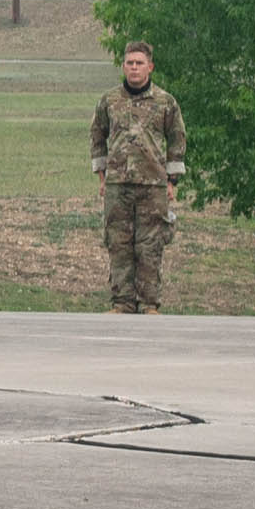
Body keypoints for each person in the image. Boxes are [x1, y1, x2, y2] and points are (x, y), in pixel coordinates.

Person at [90, 41, 185, 314]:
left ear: (150, 67)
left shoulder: (166, 102)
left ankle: (149, 304)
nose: (134, 68)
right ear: (123, 66)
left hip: (152, 185)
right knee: (118, 244)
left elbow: (177, 140)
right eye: (130, 63)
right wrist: (101, 175)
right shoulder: (109, 101)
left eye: (139, 63)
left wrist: (172, 181)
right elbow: (97, 135)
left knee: (150, 246)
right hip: (118, 185)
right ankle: (122, 302)